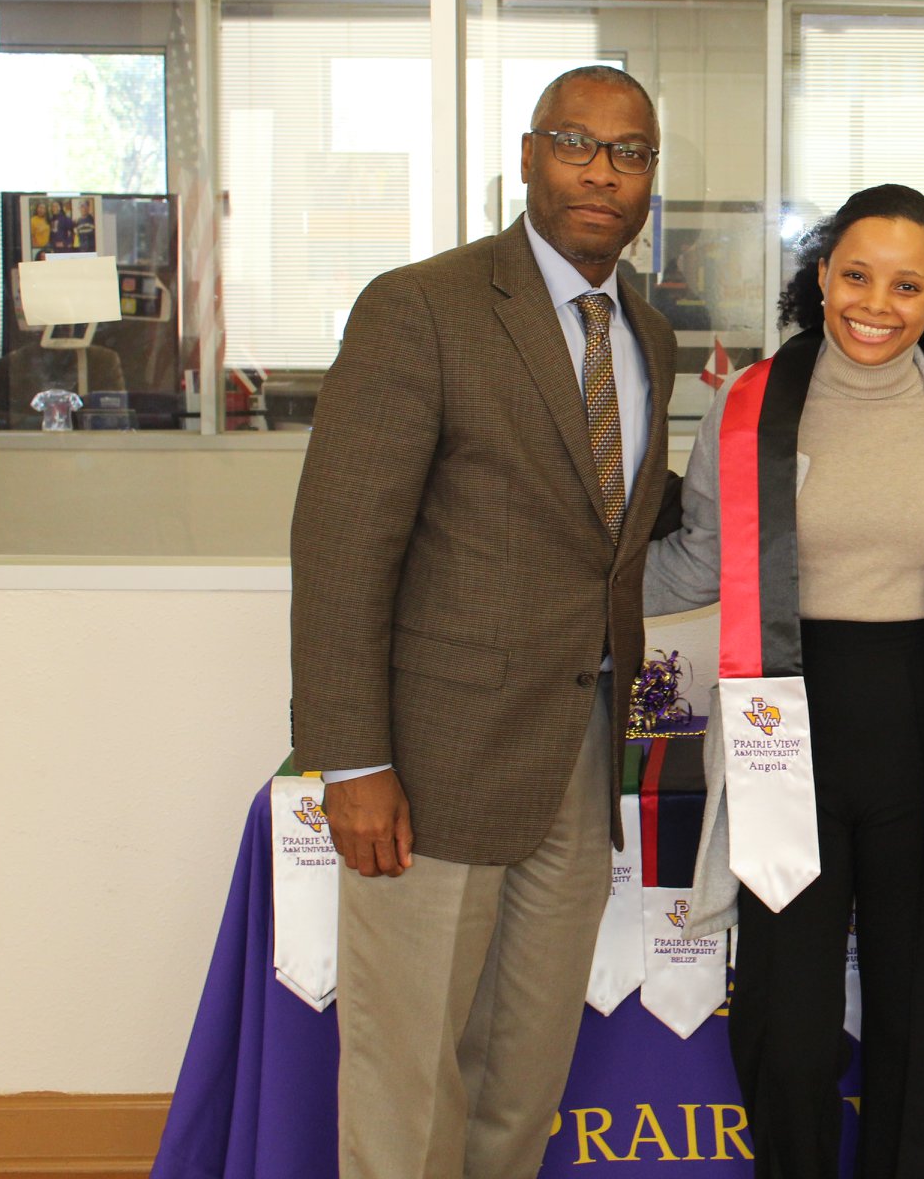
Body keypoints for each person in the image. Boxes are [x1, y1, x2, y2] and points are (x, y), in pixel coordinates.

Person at [290, 64, 679, 1179]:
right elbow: (341, 550)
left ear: (649, 178)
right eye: (575, 143)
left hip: (579, 755)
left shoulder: (646, 334)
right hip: (434, 768)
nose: (601, 172)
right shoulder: (423, 307)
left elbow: (610, 528)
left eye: (629, 153)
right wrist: (353, 761)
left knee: (523, 1081)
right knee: (409, 1085)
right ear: (527, 156)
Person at [644, 183, 924, 1178]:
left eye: (908, 285)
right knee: (786, 1020)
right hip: (784, 731)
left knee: (913, 1008)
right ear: (821, 276)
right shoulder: (747, 406)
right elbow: (698, 561)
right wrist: (563, 591)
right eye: (856, 275)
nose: (877, 304)